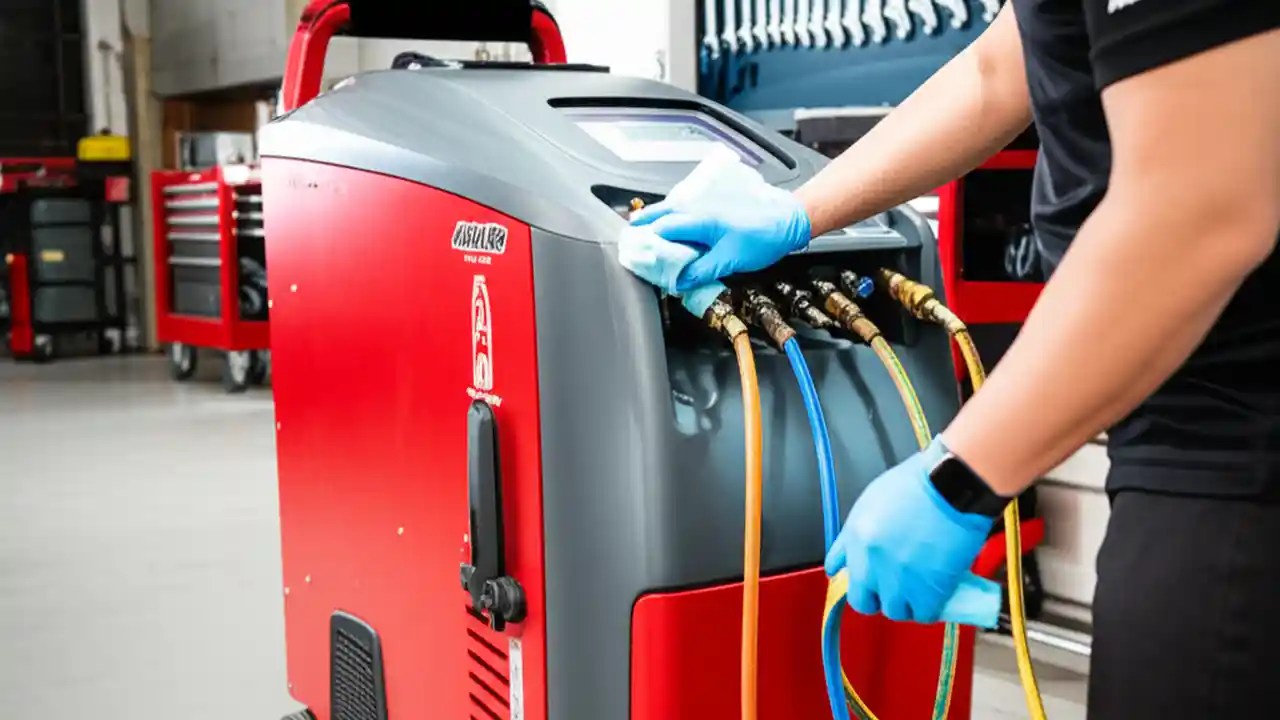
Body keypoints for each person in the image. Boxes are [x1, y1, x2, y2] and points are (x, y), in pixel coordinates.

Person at [626, 3, 1279, 717]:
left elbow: (1200, 210)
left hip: (1239, 454)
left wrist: (958, 478)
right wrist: (799, 210)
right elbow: (1001, 68)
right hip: (1186, 426)